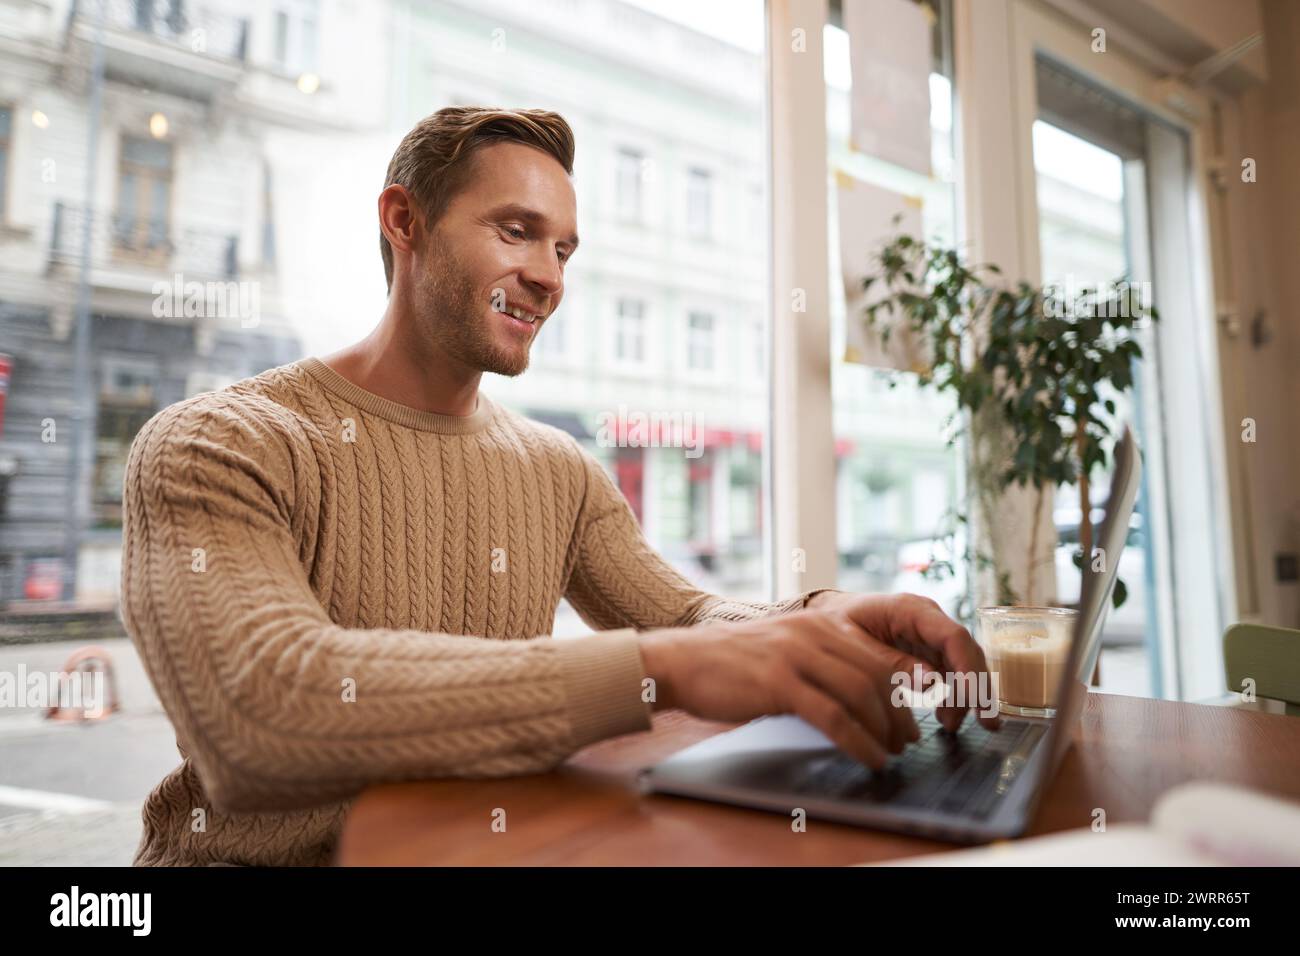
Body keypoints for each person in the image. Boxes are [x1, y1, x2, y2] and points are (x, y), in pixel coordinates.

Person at [120, 106, 996, 867]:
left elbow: (685, 620)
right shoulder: (218, 440)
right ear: (404, 220)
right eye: (515, 231)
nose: (550, 276)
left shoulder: (556, 466)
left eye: (564, 248)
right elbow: (259, 715)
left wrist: (816, 621)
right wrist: (663, 671)